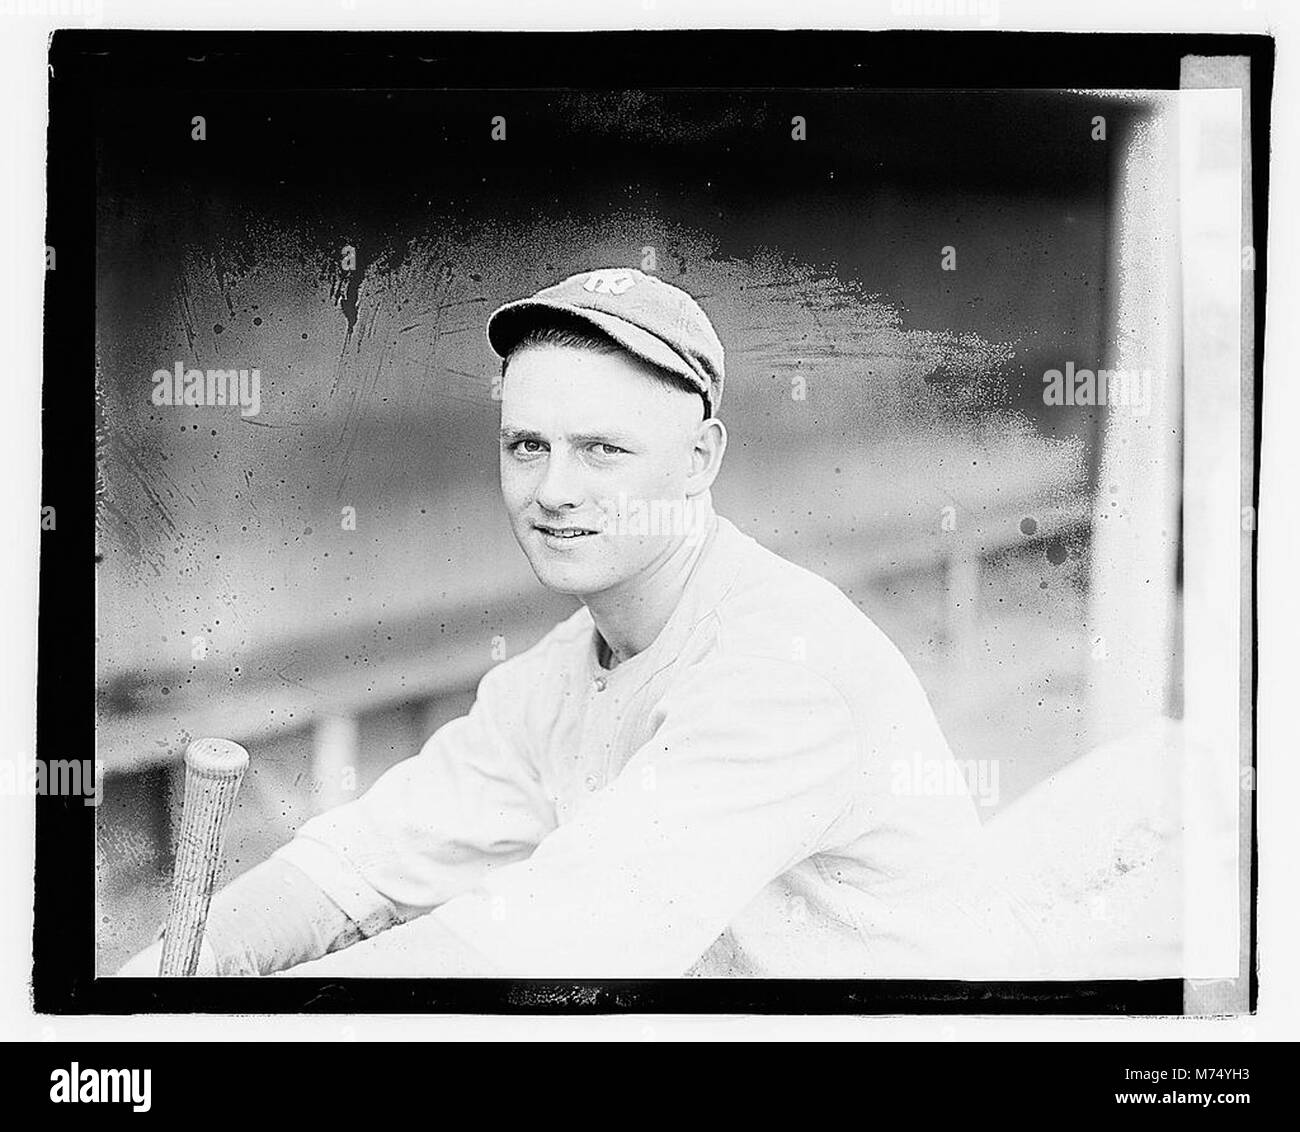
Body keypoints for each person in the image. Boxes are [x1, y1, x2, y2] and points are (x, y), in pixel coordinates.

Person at [120, 267, 1035, 979]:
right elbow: (365, 862)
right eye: (529, 445)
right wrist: (170, 969)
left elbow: (546, 947)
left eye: (603, 449)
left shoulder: (784, 670)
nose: (555, 491)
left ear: (698, 459)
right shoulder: (567, 668)